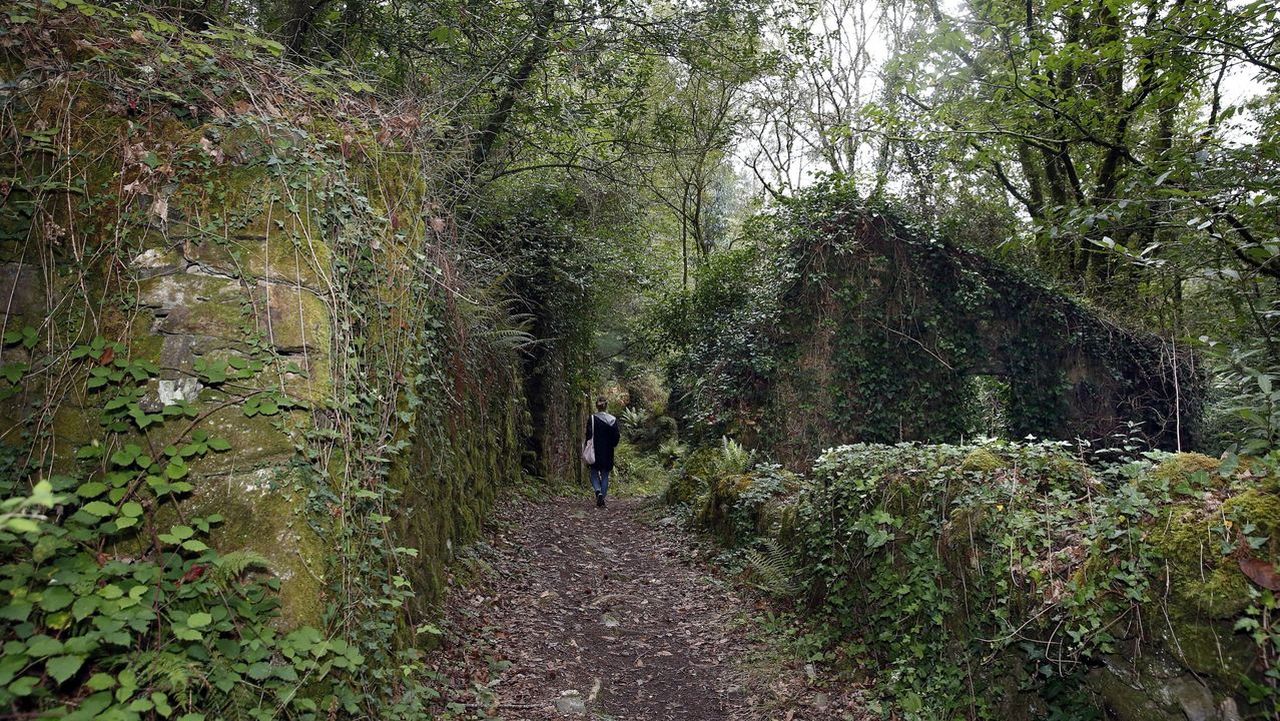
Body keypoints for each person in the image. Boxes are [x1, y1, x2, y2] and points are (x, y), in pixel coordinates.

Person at [585, 397, 620, 508]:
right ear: (606, 406)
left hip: (595, 451)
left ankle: (598, 492)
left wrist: (587, 445)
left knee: (594, 473)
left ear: (597, 406)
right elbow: (616, 437)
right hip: (608, 451)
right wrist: (612, 444)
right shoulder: (613, 420)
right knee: (605, 475)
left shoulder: (592, 419)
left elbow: (588, 435)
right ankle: (602, 498)